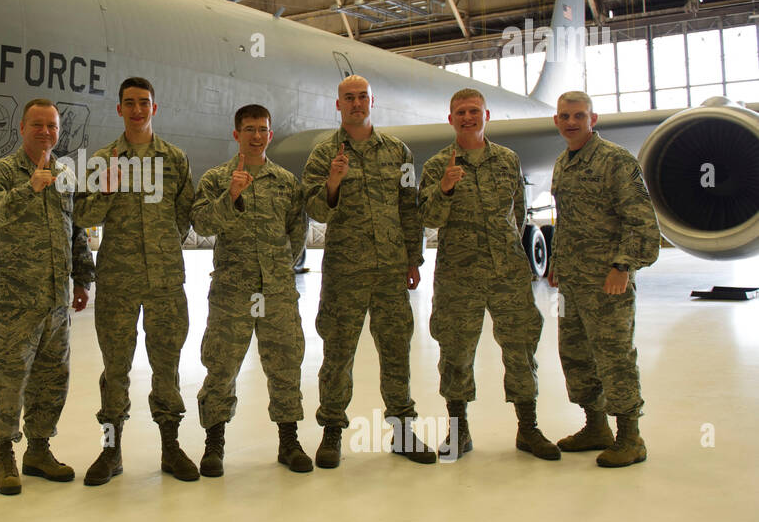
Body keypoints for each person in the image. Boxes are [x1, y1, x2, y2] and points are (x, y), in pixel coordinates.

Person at [419, 88, 558, 461]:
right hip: (458, 275)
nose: (468, 117)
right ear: (451, 120)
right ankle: (459, 430)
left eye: (474, 111)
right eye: (460, 112)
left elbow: (517, 213)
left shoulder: (508, 160)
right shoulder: (436, 165)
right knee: (455, 352)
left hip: (507, 273)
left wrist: (508, 252)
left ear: (486, 115)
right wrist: (445, 188)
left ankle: (527, 428)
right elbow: (428, 218)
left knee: (521, 348)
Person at [303, 74, 435, 466]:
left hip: (392, 272)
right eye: (349, 98)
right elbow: (315, 210)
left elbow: (409, 208)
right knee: (338, 353)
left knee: (396, 350)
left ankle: (404, 431)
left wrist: (414, 258)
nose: (356, 103)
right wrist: (333, 182)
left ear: (371, 102)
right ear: (338, 105)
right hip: (345, 272)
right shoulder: (323, 154)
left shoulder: (399, 152)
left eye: (363, 97)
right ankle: (331, 431)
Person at [75, 77, 197, 485]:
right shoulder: (103, 159)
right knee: (115, 368)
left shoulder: (175, 159)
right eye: (129, 103)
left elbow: (185, 215)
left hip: (165, 282)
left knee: (168, 365)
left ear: (154, 108)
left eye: (144, 102)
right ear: (119, 109)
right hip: (118, 282)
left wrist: (163, 248)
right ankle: (111, 450)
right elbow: (83, 215)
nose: (137, 110)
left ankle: (171, 447)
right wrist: (106, 190)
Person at [0, 98, 94, 495]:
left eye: (52, 126)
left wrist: (82, 279)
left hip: (55, 301)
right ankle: (4, 455)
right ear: (21, 128)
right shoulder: (1, 172)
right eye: (37, 125)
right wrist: (29, 189)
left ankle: (39, 449)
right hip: (11, 303)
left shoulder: (64, 175)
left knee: (51, 379)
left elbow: (74, 230)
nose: (45, 133)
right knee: (6, 379)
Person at [191, 105, 312, 476]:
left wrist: (278, 269)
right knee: (221, 365)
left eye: (262, 129)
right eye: (249, 129)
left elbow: (297, 231)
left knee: (285, 364)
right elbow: (201, 223)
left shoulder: (287, 182)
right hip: (232, 292)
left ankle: (288, 441)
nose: (256, 136)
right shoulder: (216, 179)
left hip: (276, 291)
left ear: (270, 135)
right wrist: (231, 196)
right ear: (236, 134)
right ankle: (214, 443)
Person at [548, 90, 660, 467]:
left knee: (614, 356)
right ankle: (595, 426)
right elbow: (567, 219)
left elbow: (642, 222)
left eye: (579, 116)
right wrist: (557, 265)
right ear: (557, 121)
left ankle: (631, 436)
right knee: (576, 355)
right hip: (572, 282)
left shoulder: (615, 161)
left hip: (606, 280)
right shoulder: (564, 162)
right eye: (565, 116)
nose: (571, 122)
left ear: (592, 120)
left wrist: (622, 267)